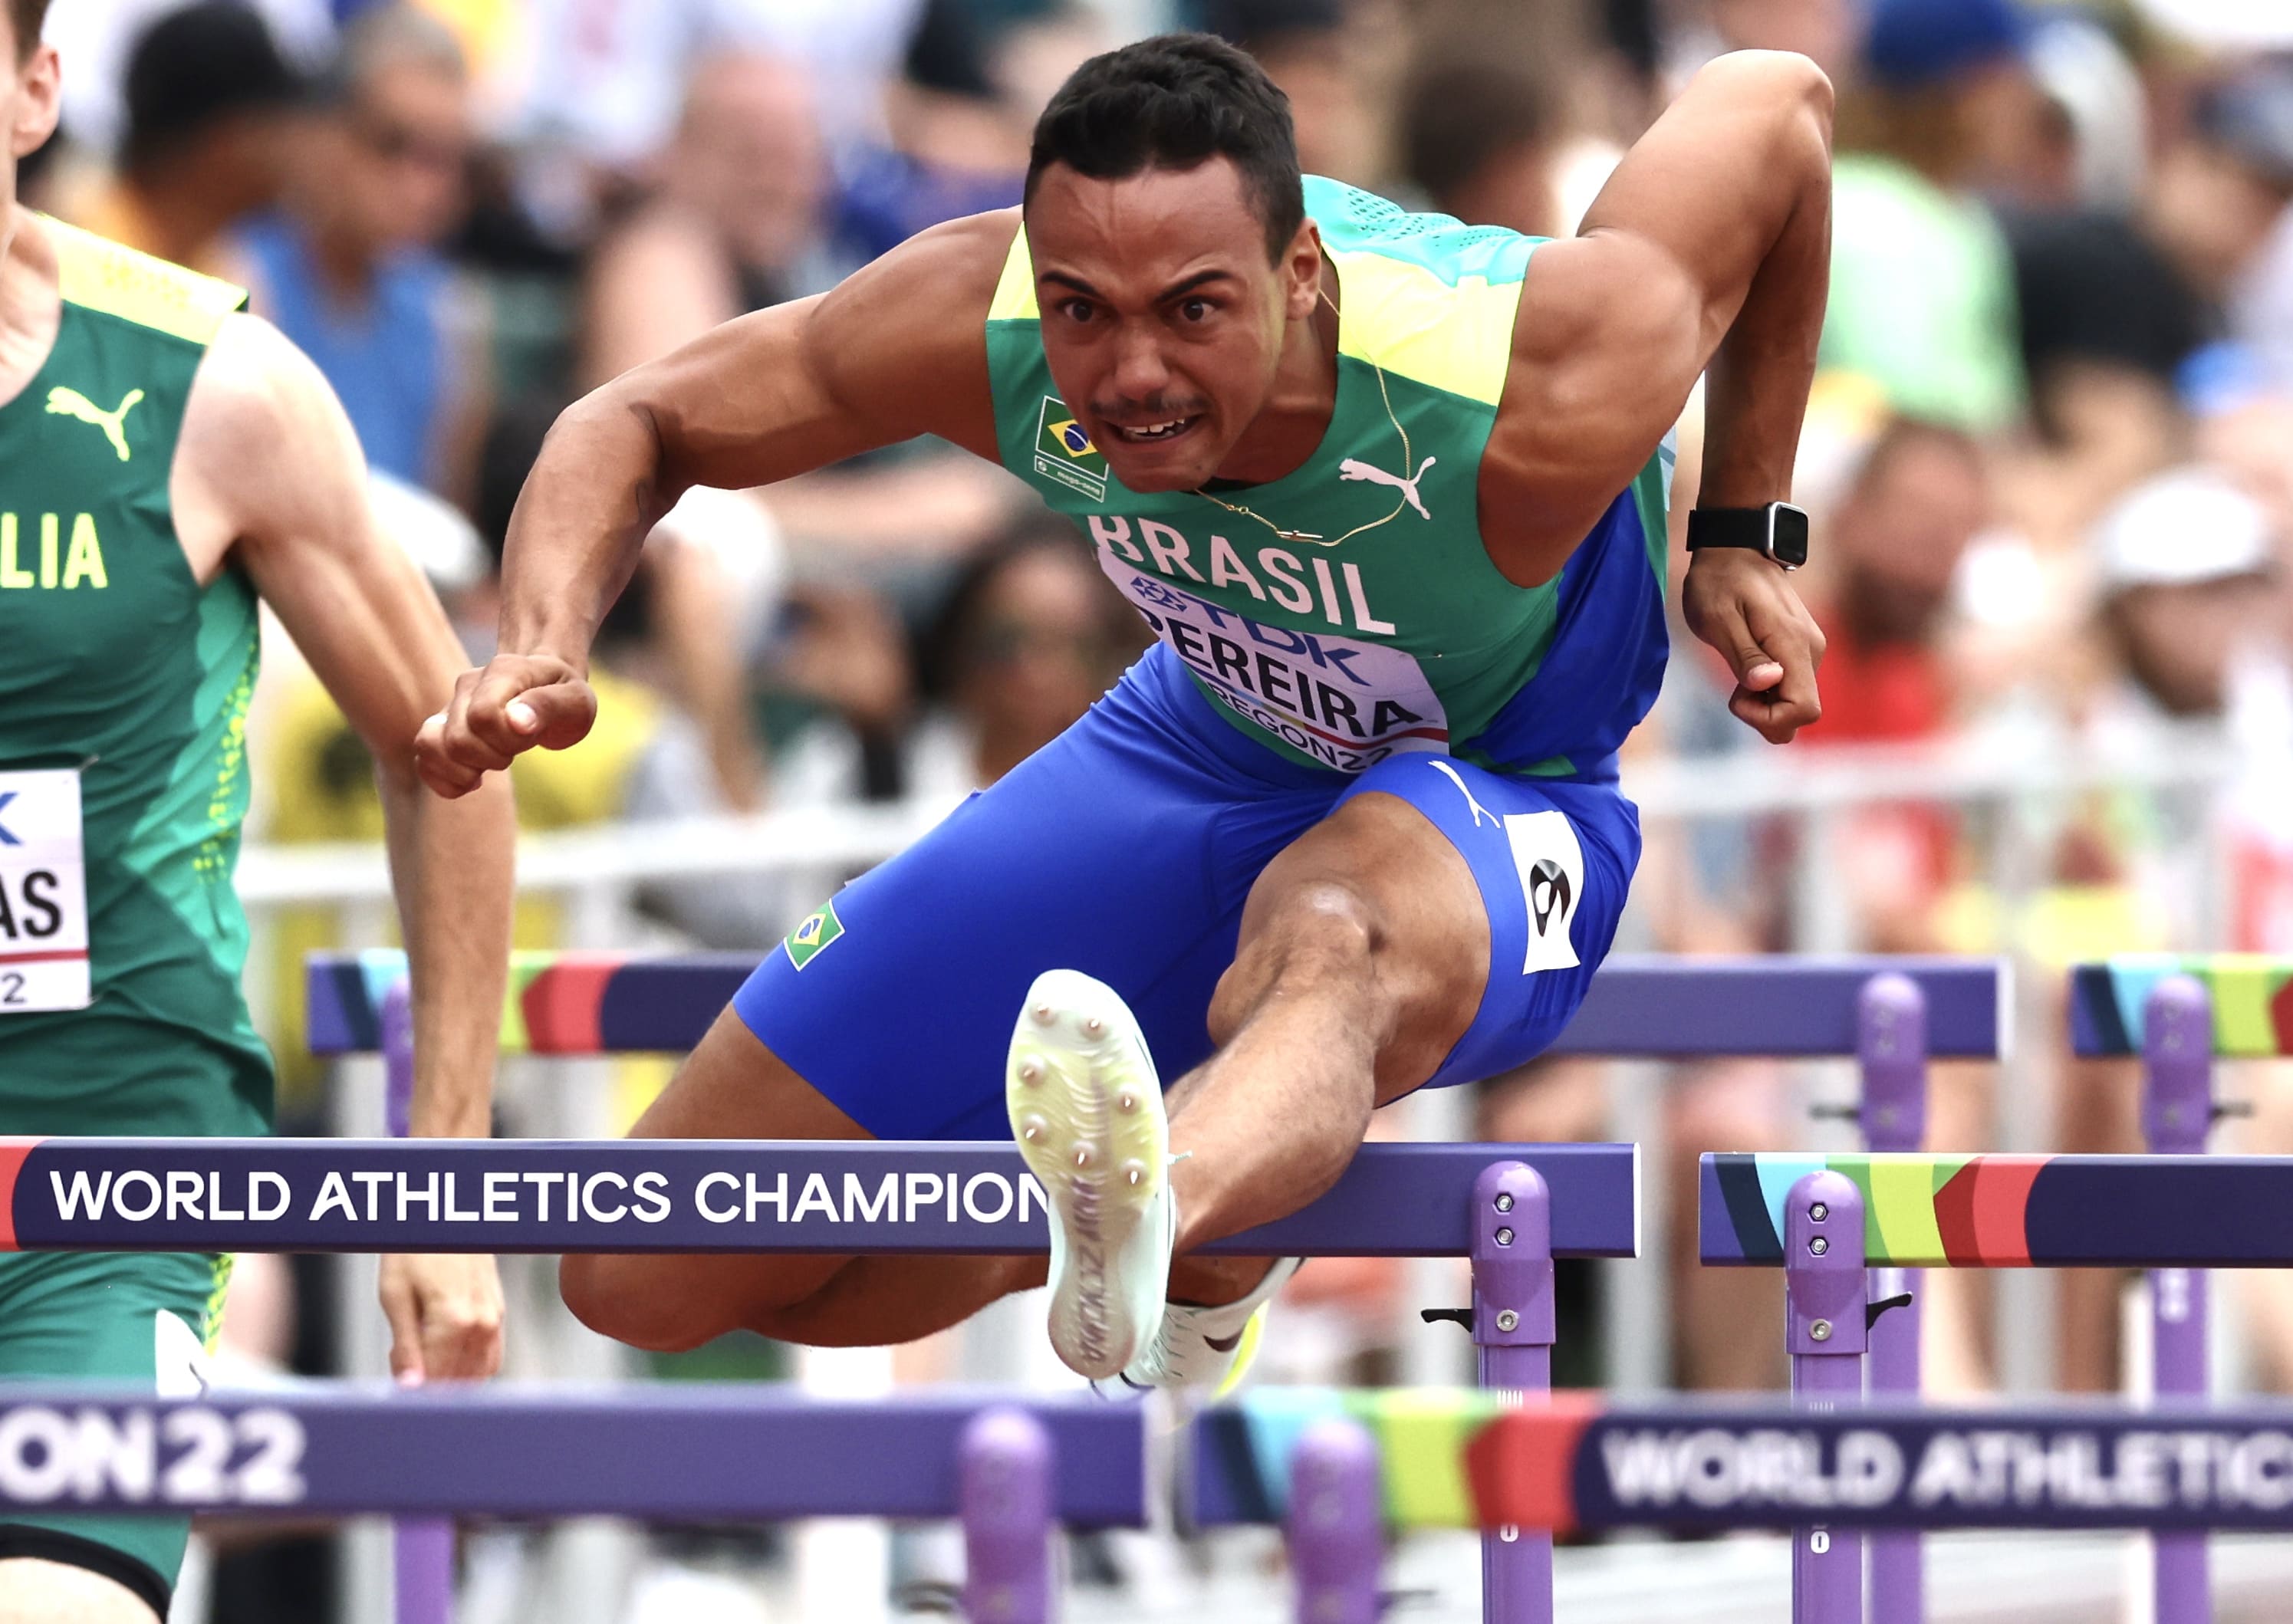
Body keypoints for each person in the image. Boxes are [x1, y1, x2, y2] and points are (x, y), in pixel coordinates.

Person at [425, 34, 1830, 1388]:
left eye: (1193, 312)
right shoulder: (985, 322)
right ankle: (1173, 1235)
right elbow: (638, 419)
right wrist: (536, 644)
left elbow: (1777, 103)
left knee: (1331, 923)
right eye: (1082, 309)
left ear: (1300, 274)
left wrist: (1742, 525)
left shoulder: (1537, 379)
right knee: (640, 1270)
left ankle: (1172, 1208)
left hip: (1501, 786)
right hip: (1196, 738)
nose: (1131, 374)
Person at [0, 6, 517, 1619]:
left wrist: (442, 1187)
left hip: (98, 1187)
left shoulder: (211, 386)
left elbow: (453, 754)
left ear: (35, 89)